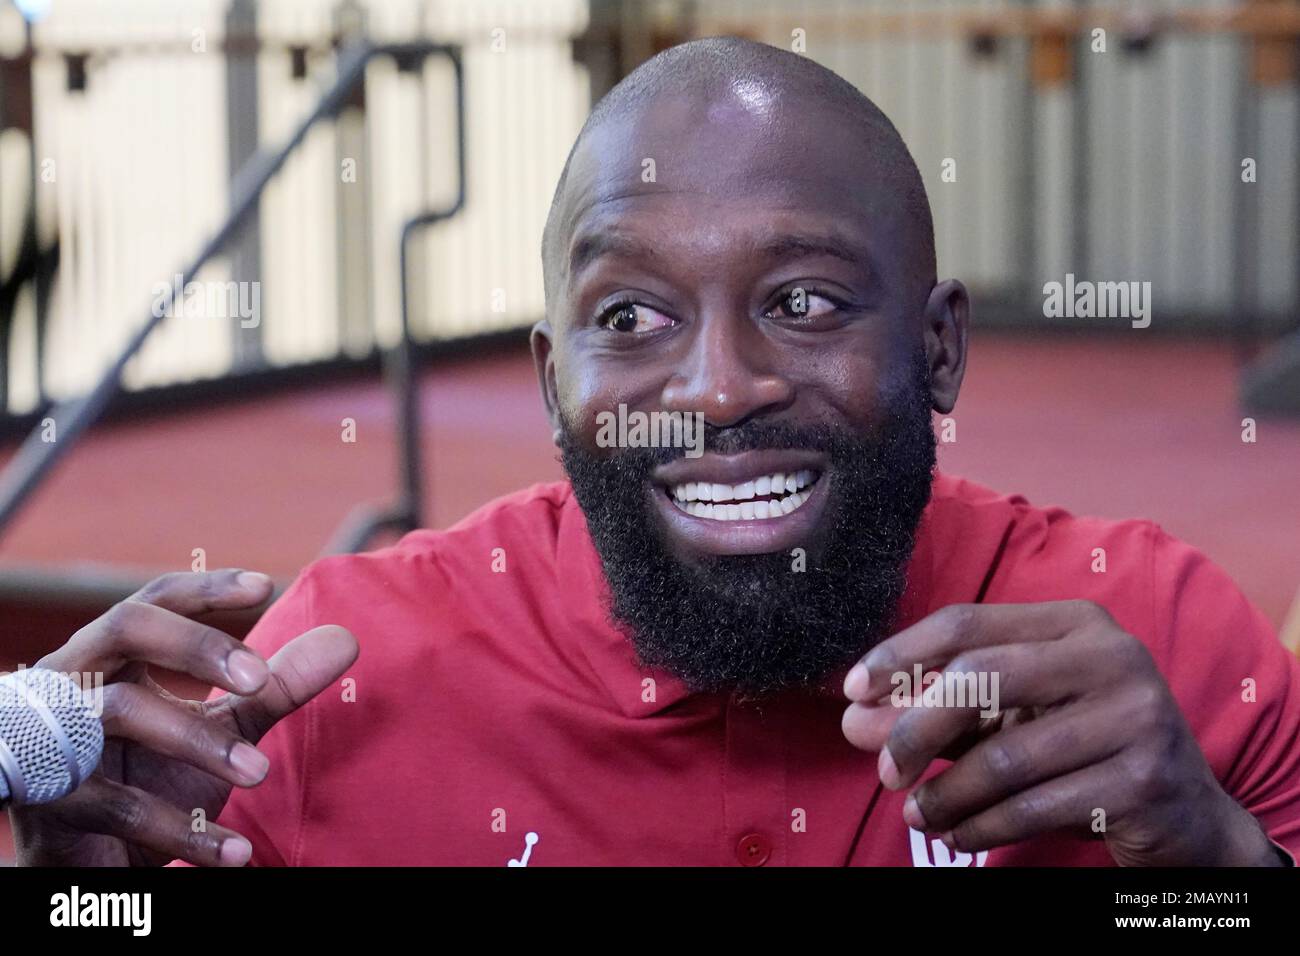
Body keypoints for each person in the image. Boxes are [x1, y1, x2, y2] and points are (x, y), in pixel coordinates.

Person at [12, 37, 1299, 867]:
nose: (719, 389)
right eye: (630, 317)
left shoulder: (1158, 643)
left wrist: (1211, 864)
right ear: (550, 379)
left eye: (802, 300)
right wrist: (78, 895)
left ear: (941, 347)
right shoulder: (343, 678)